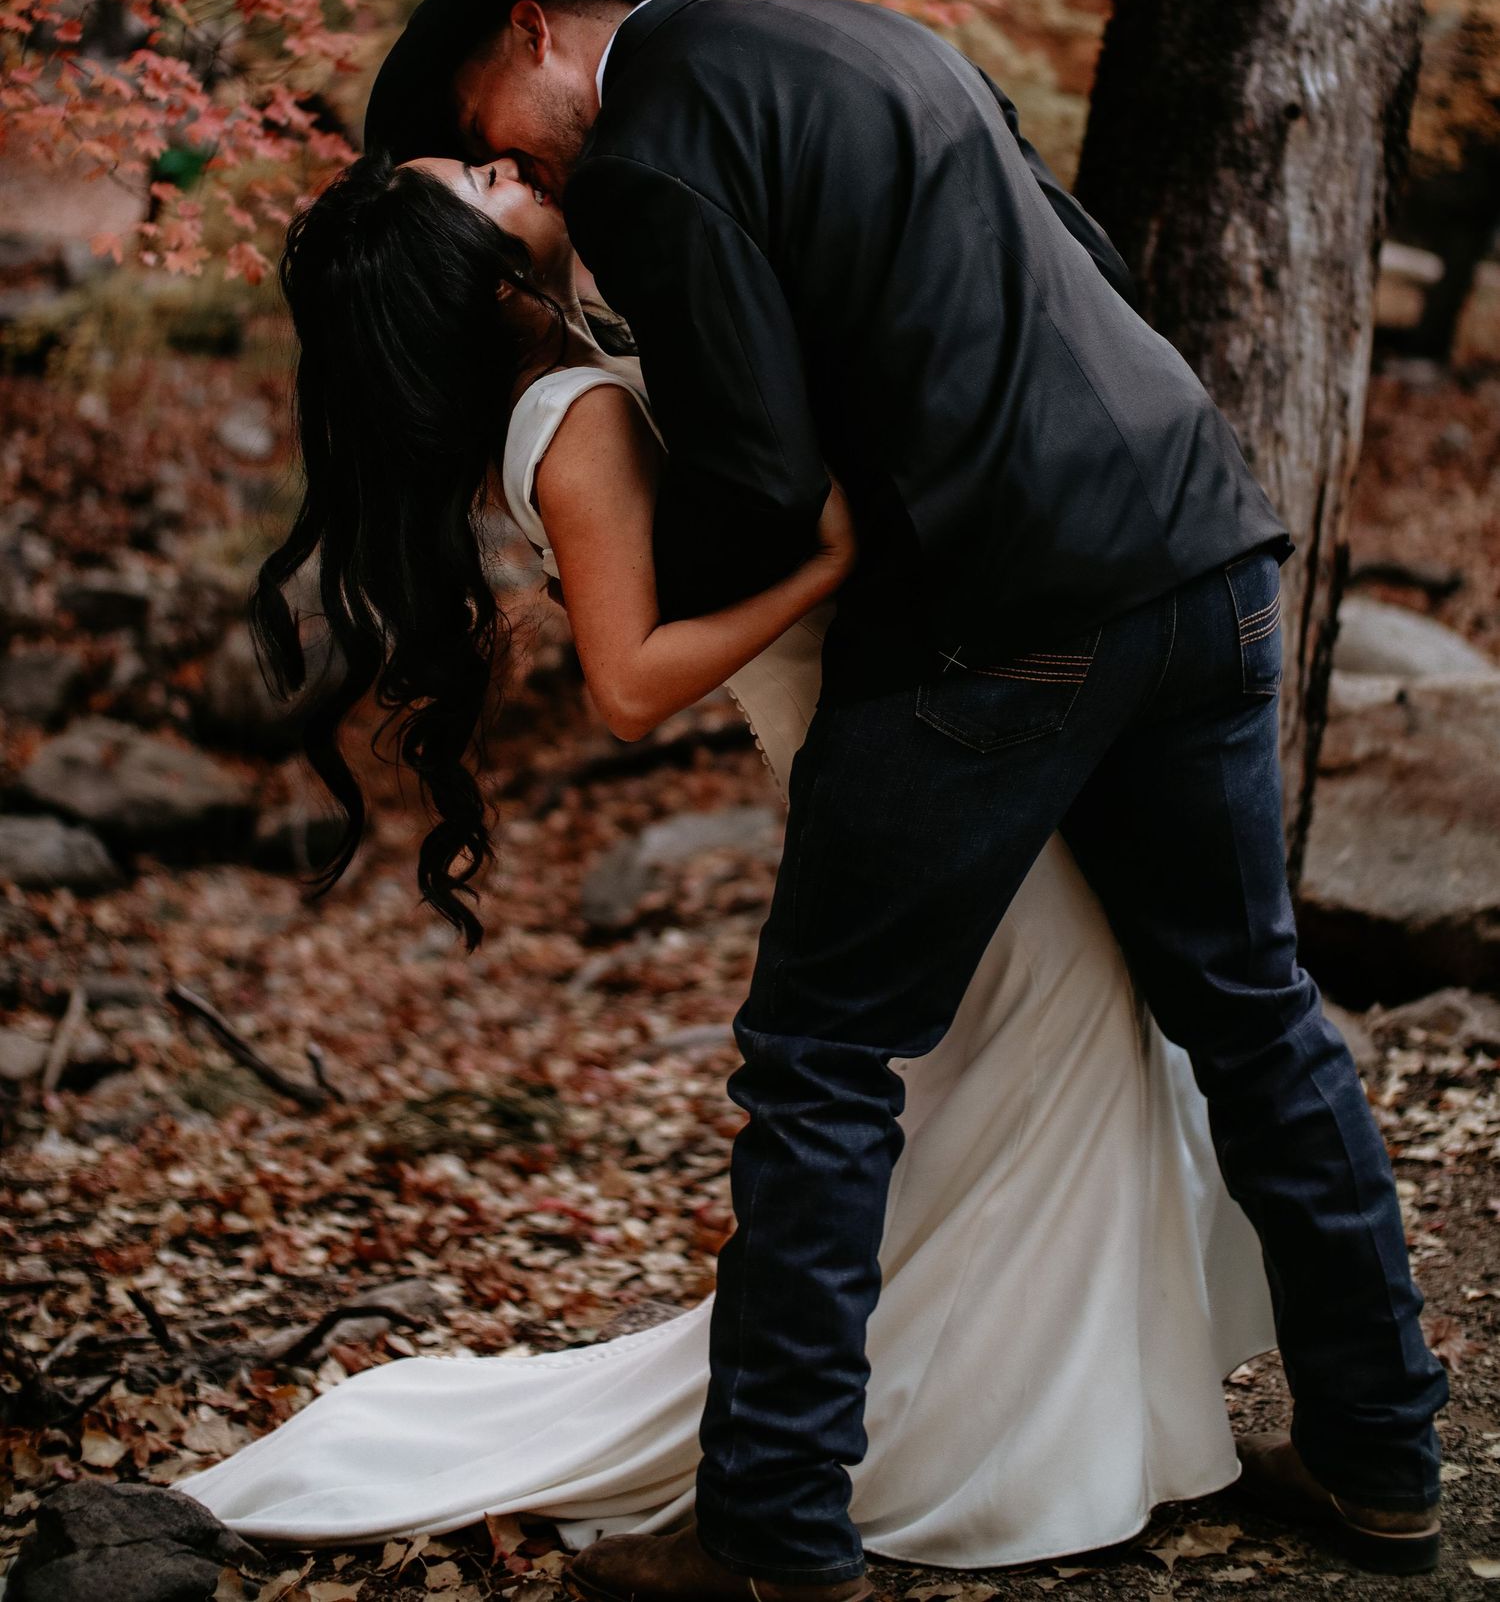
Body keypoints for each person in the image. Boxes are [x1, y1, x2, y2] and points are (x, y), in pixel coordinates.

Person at [177, 143, 1277, 1572]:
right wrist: (824, 565)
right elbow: (631, 686)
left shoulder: (578, 377)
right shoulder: (568, 418)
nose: (510, 164)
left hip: (927, 751)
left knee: (1053, 1058)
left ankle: (1044, 1416)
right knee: (1051, 1039)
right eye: (480, 179)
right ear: (473, 271)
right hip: (891, 757)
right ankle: (989, 1444)